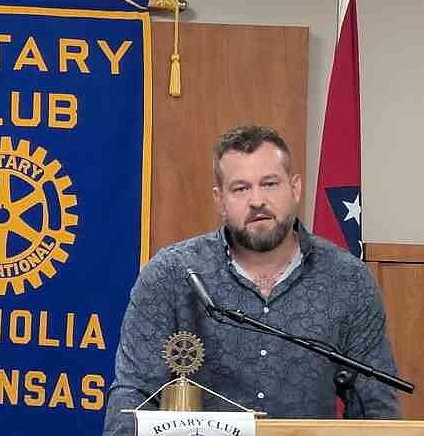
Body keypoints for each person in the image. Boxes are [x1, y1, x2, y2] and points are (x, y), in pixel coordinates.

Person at [103, 125, 400, 436]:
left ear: (295, 188)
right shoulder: (170, 274)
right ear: (219, 200)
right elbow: (131, 399)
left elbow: (376, 407)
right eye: (241, 188)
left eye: (270, 184)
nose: (257, 200)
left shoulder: (348, 279)